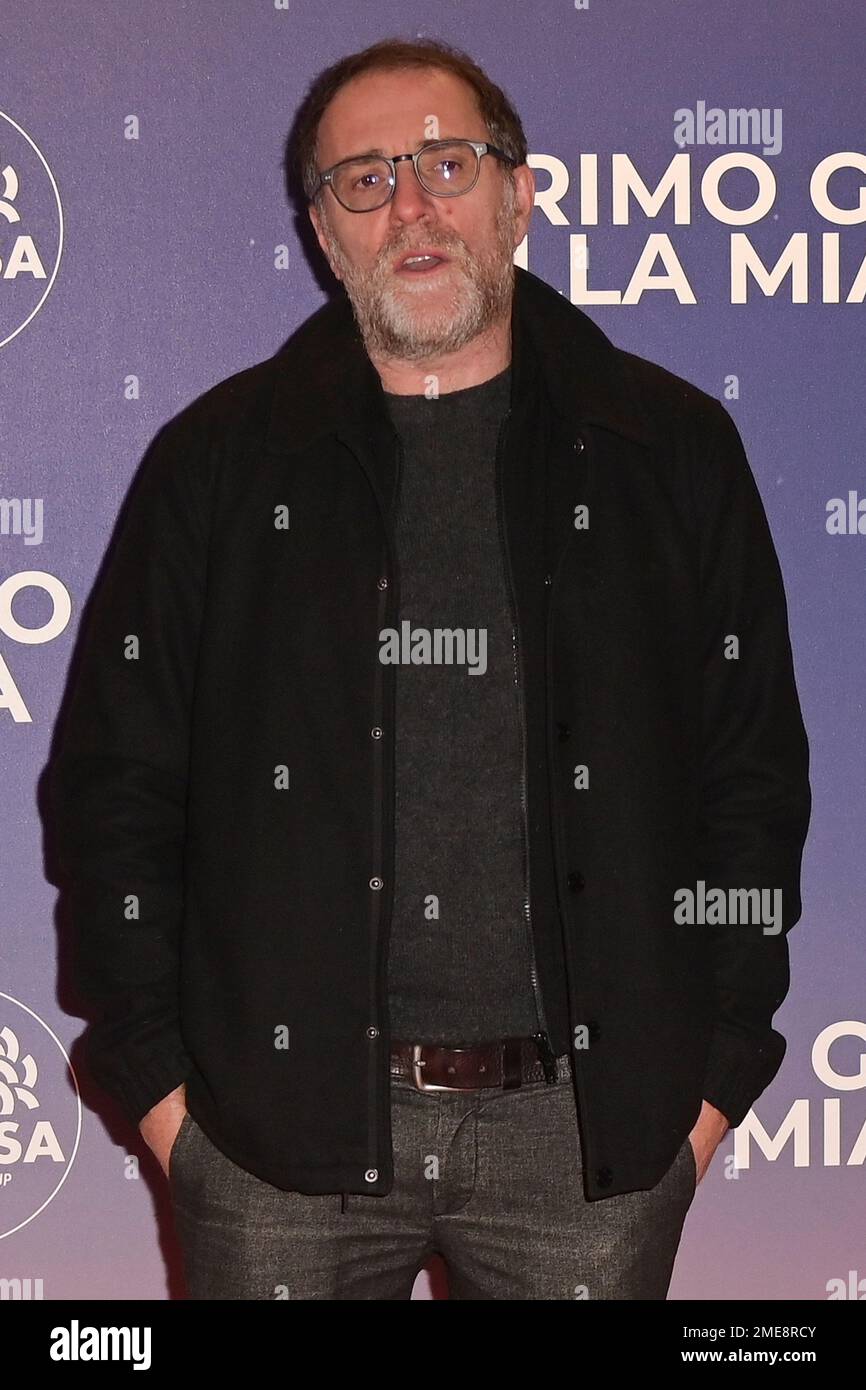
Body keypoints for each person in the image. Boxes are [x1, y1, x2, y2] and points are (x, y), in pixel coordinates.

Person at [49, 36, 811, 1300]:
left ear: (516, 194)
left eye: (445, 163)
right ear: (321, 229)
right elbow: (115, 786)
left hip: (589, 1141)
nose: (409, 206)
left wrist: (713, 1080)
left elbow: (750, 776)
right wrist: (167, 1101)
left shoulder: (666, 449)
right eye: (363, 179)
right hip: (272, 1139)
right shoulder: (218, 464)